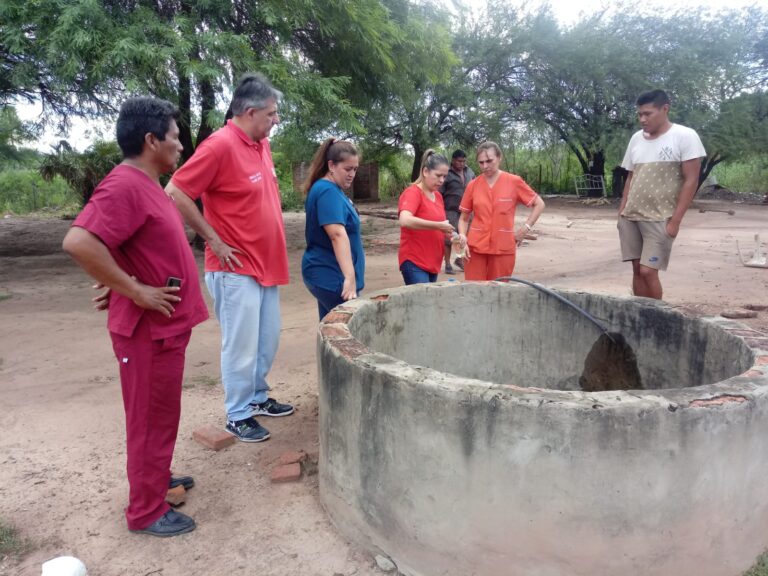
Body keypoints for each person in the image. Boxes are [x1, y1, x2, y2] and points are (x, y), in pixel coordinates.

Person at [62, 97, 209, 537]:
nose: (181, 147)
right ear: (151, 140)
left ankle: (156, 479)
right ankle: (145, 511)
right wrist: (134, 290)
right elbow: (79, 242)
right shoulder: (124, 184)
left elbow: (125, 245)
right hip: (147, 331)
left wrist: (123, 278)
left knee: (161, 413)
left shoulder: (148, 184)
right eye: (176, 138)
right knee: (148, 417)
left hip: (164, 327)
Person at [165, 73, 294, 444]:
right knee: (239, 345)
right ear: (250, 112)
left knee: (266, 340)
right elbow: (175, 192)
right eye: (271, 114)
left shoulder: (260, 143)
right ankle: (237, 414)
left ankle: (257, 397)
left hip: (265, 264)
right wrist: (214, 240)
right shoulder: (218, 145)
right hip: (234, 268)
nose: (276, 120)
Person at [618, 89, 705, 300]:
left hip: (660, 217)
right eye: (639, 114)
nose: (642, 119)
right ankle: (640, 317)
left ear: (665, 109)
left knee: (649, 271)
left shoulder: (685, 136)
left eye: (648, 114)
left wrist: (675, 221)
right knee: (637, 270)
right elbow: (631, 177)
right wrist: (621, 211)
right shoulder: (636, 139)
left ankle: (658, 319)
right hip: (631, 216)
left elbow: (691, 180)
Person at [457, 142, 545, 281]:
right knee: (474, 291)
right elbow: (463, 218)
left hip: (503, 248)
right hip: (475, 249)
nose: (485, 166)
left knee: (499, 291)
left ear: (499, 158)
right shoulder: (473, 185)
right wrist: (463, 236)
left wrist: (525, 228)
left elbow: (539, 204)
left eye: (489, 161)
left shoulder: (514, 182)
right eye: (481, 162)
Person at [302, 139, 365, 319]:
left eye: (355, 169)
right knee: (351, 329)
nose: (352, 174)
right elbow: (337, 234)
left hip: (328, 275)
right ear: (331, 165)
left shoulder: (332, 189)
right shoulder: (327, 191)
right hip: (332, 276)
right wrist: (350, 277)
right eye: (347, 169)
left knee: (331, 330)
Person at [398, 150, 455, 284]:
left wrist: (456, 237)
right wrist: (438, 225)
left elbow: (442, 227)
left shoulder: (438, 196)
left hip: (433, 263)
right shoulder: (413, 193)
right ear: (425, 172)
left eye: (444, 176)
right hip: (415, 262)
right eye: (438, 175)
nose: (442, 180)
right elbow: (405, 220)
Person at [440, 149, 475, 274]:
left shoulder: (470, 172)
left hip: (466, 212)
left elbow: (475, 188)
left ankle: (459, 260)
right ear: (453, 160)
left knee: (463, 237)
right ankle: (448, 264)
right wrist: (440, 211)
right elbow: (439, 193)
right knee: (448, 239)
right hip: (450, 211)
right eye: (460, 161)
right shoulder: (446, 174)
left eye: (464, 161)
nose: (462, 164)